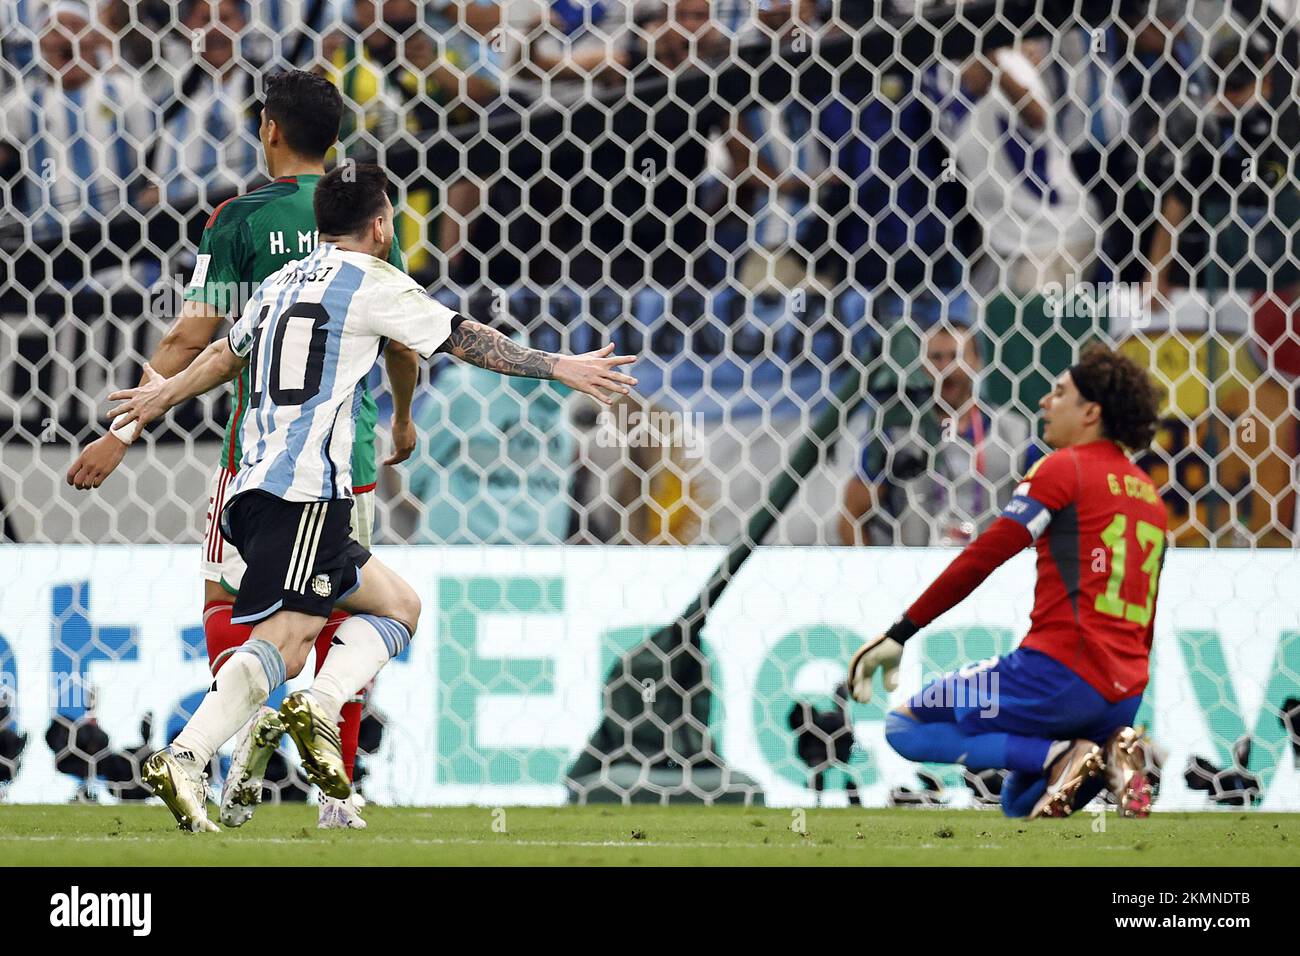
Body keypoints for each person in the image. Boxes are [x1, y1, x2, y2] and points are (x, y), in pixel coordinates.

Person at [106, 162, 637, 832]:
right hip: (302, 491)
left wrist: (157, 395)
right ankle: (190, 753)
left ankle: (312, 707)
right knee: (291, 642)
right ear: (382, 224)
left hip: (259, 485)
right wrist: (560, 366)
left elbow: (221, 356)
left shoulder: (280, 282)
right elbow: (465, 338)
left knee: (396, 606)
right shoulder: (373, 281)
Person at [66, 69, 418, 830]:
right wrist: (402, 424)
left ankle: (213, 764)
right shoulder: (364, 217)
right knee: (339, 620)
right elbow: (402, 336)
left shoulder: (241, 219)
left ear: (268, 130)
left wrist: (123, 428)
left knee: (232, 606)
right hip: (348, 462)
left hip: (257, 457)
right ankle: (335, 795)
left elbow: (191, 337)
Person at [847, 343, 1167, 819]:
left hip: (1054, 676)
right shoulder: (1149, 498)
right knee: (1019, 804)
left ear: (1091, 412)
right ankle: (1113, 748)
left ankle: (1064, 753)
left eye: (1059, 393)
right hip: (1122, 694)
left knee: (905, 727)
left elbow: (985, 555)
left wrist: (902, 631)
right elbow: (1148, 617)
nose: (1044, 401)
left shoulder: (1063, 468)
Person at [839, 324, 1040, 547]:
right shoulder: (896, 432)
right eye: (936, 357)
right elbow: (851, 517)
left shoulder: (1015, 432)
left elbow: (1040, 512)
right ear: (921, 365)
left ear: (977, 363)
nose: (946, 369)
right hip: (916, 575)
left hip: (991, 573)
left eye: (956, 357)